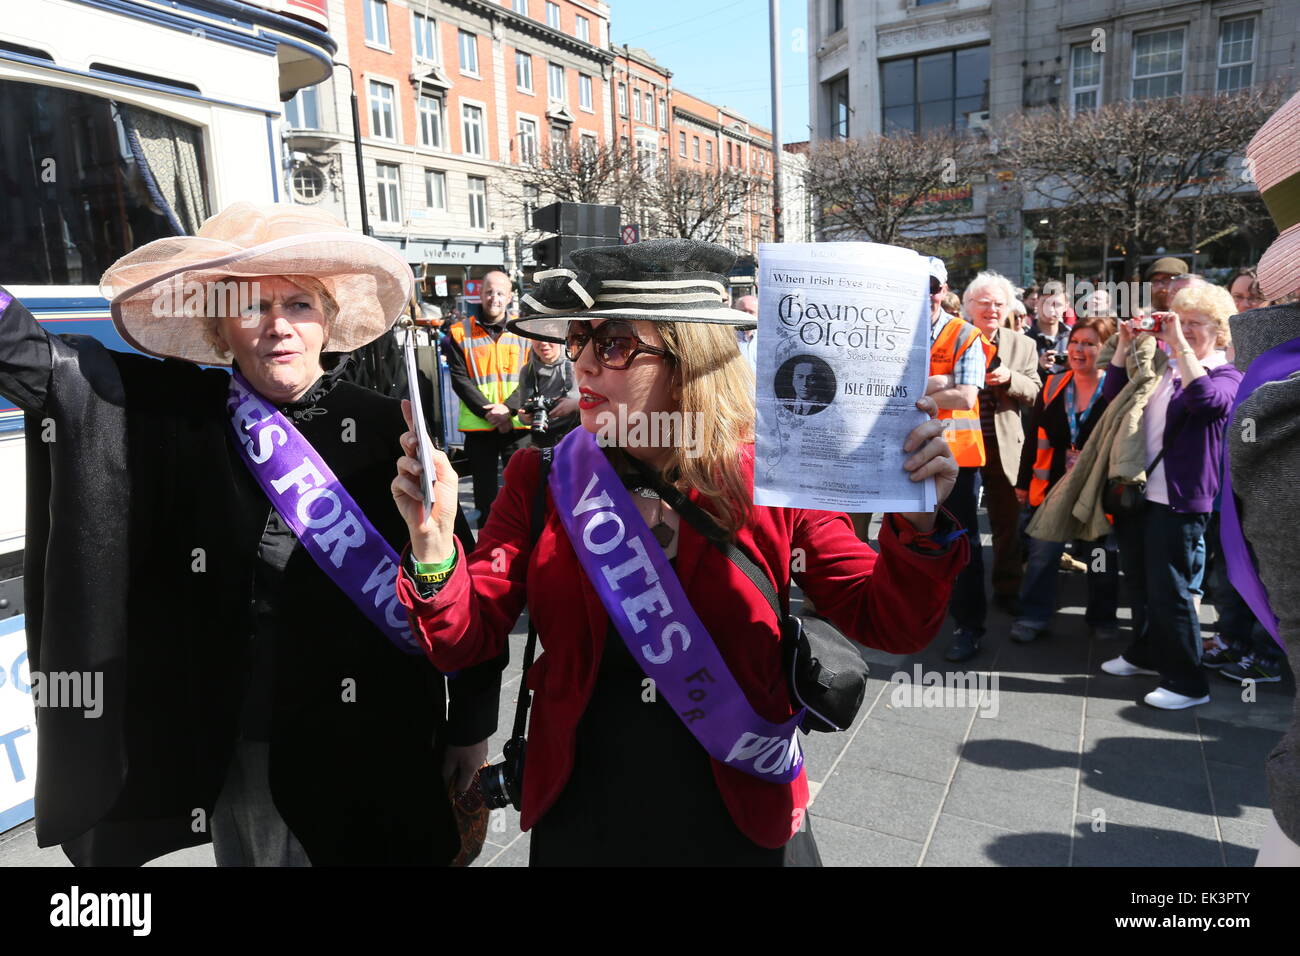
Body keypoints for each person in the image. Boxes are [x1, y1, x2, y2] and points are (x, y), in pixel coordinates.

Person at [390, 239, 968, 866]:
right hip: (585, 802)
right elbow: (462, 640)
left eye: (610, 345)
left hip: (735, 796)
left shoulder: (772, 473)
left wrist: (916, 527)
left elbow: (892, 622)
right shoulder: (542, 474)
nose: (581, 364)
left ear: (691, 359)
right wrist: (432, 545)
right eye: (578, 340)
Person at [0, 203, 500, 866]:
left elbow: (465, 585)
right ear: (219, 330)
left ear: (327, 322)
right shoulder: (182, 416)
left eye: (298, 305)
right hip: (249, 754)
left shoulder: (390, 428)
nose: (277, 328)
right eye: (250, 307)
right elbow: (42, 369)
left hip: (383, 740)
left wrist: (469, 725)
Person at [1099, 283, 1243, 710]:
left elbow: (1207, 403)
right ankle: (1144, 654)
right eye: (1181, 322)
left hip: (1180, 500)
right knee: (1142, 584)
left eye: (1197, 324)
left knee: (1173, 591)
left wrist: (1178, 342)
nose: (1187, 331)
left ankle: (1188, 682)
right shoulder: (1167, 370)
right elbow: (1114, 400)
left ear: (1220, 331)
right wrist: (1124, 346)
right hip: (1143, 493)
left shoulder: (1226, 373)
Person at [946, 271, 1042, 661]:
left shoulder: (1023, 345)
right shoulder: (951, 338)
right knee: (961, 528)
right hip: (960, 447)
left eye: (999, 303)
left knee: (1006, 523)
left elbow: (1035, 390)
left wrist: (1010, 379)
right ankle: (961, 608)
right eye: (984, 303)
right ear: (968, 306)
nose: (992, 309)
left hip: (1003, 446)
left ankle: (1006, 589)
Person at [1011, 317, 1119, 642]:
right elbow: (1034, 437)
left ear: (1107, 349)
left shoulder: (1117, 390)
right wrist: (1022, 482)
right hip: (1053, 487)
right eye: (1075, 342)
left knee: (1100, 557)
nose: (1078, 350)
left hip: (1097, 491)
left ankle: (1102, 618)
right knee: (1043, 552)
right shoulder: (1054, 384)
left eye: (1089, 343)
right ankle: (1032, 617)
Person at [444, 270, 531, 528]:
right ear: (480, 294)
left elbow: (532, 375)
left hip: (516, 425)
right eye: (489, 291)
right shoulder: (460, 332)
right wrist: (491, 413)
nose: (494, 297)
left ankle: (523, 543)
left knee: (523, 491)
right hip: (481, 428)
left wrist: (509, 409)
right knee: (485, 495)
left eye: (500, 292)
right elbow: (460, 380)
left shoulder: (524, 330)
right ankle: (488, 547)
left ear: (510, 297)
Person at [505, 337, 580, 448]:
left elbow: (599, 400)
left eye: (548, 338)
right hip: (543, 438)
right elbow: (523, 410)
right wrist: (525, 417)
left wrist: (574, 405)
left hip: (576, 436)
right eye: (537, 339)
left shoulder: (577, 363)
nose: (543, 343)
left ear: (560, 338)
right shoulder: (527, 371)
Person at [1031, 286, 1072, 375]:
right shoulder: (1024, 340)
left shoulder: (1074, 337)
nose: (1050, 310)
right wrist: (1039, 367)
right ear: (1036, 303)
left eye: (1056, 305)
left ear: (1066, 306)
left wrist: (1075, 365)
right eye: (1045, 303)